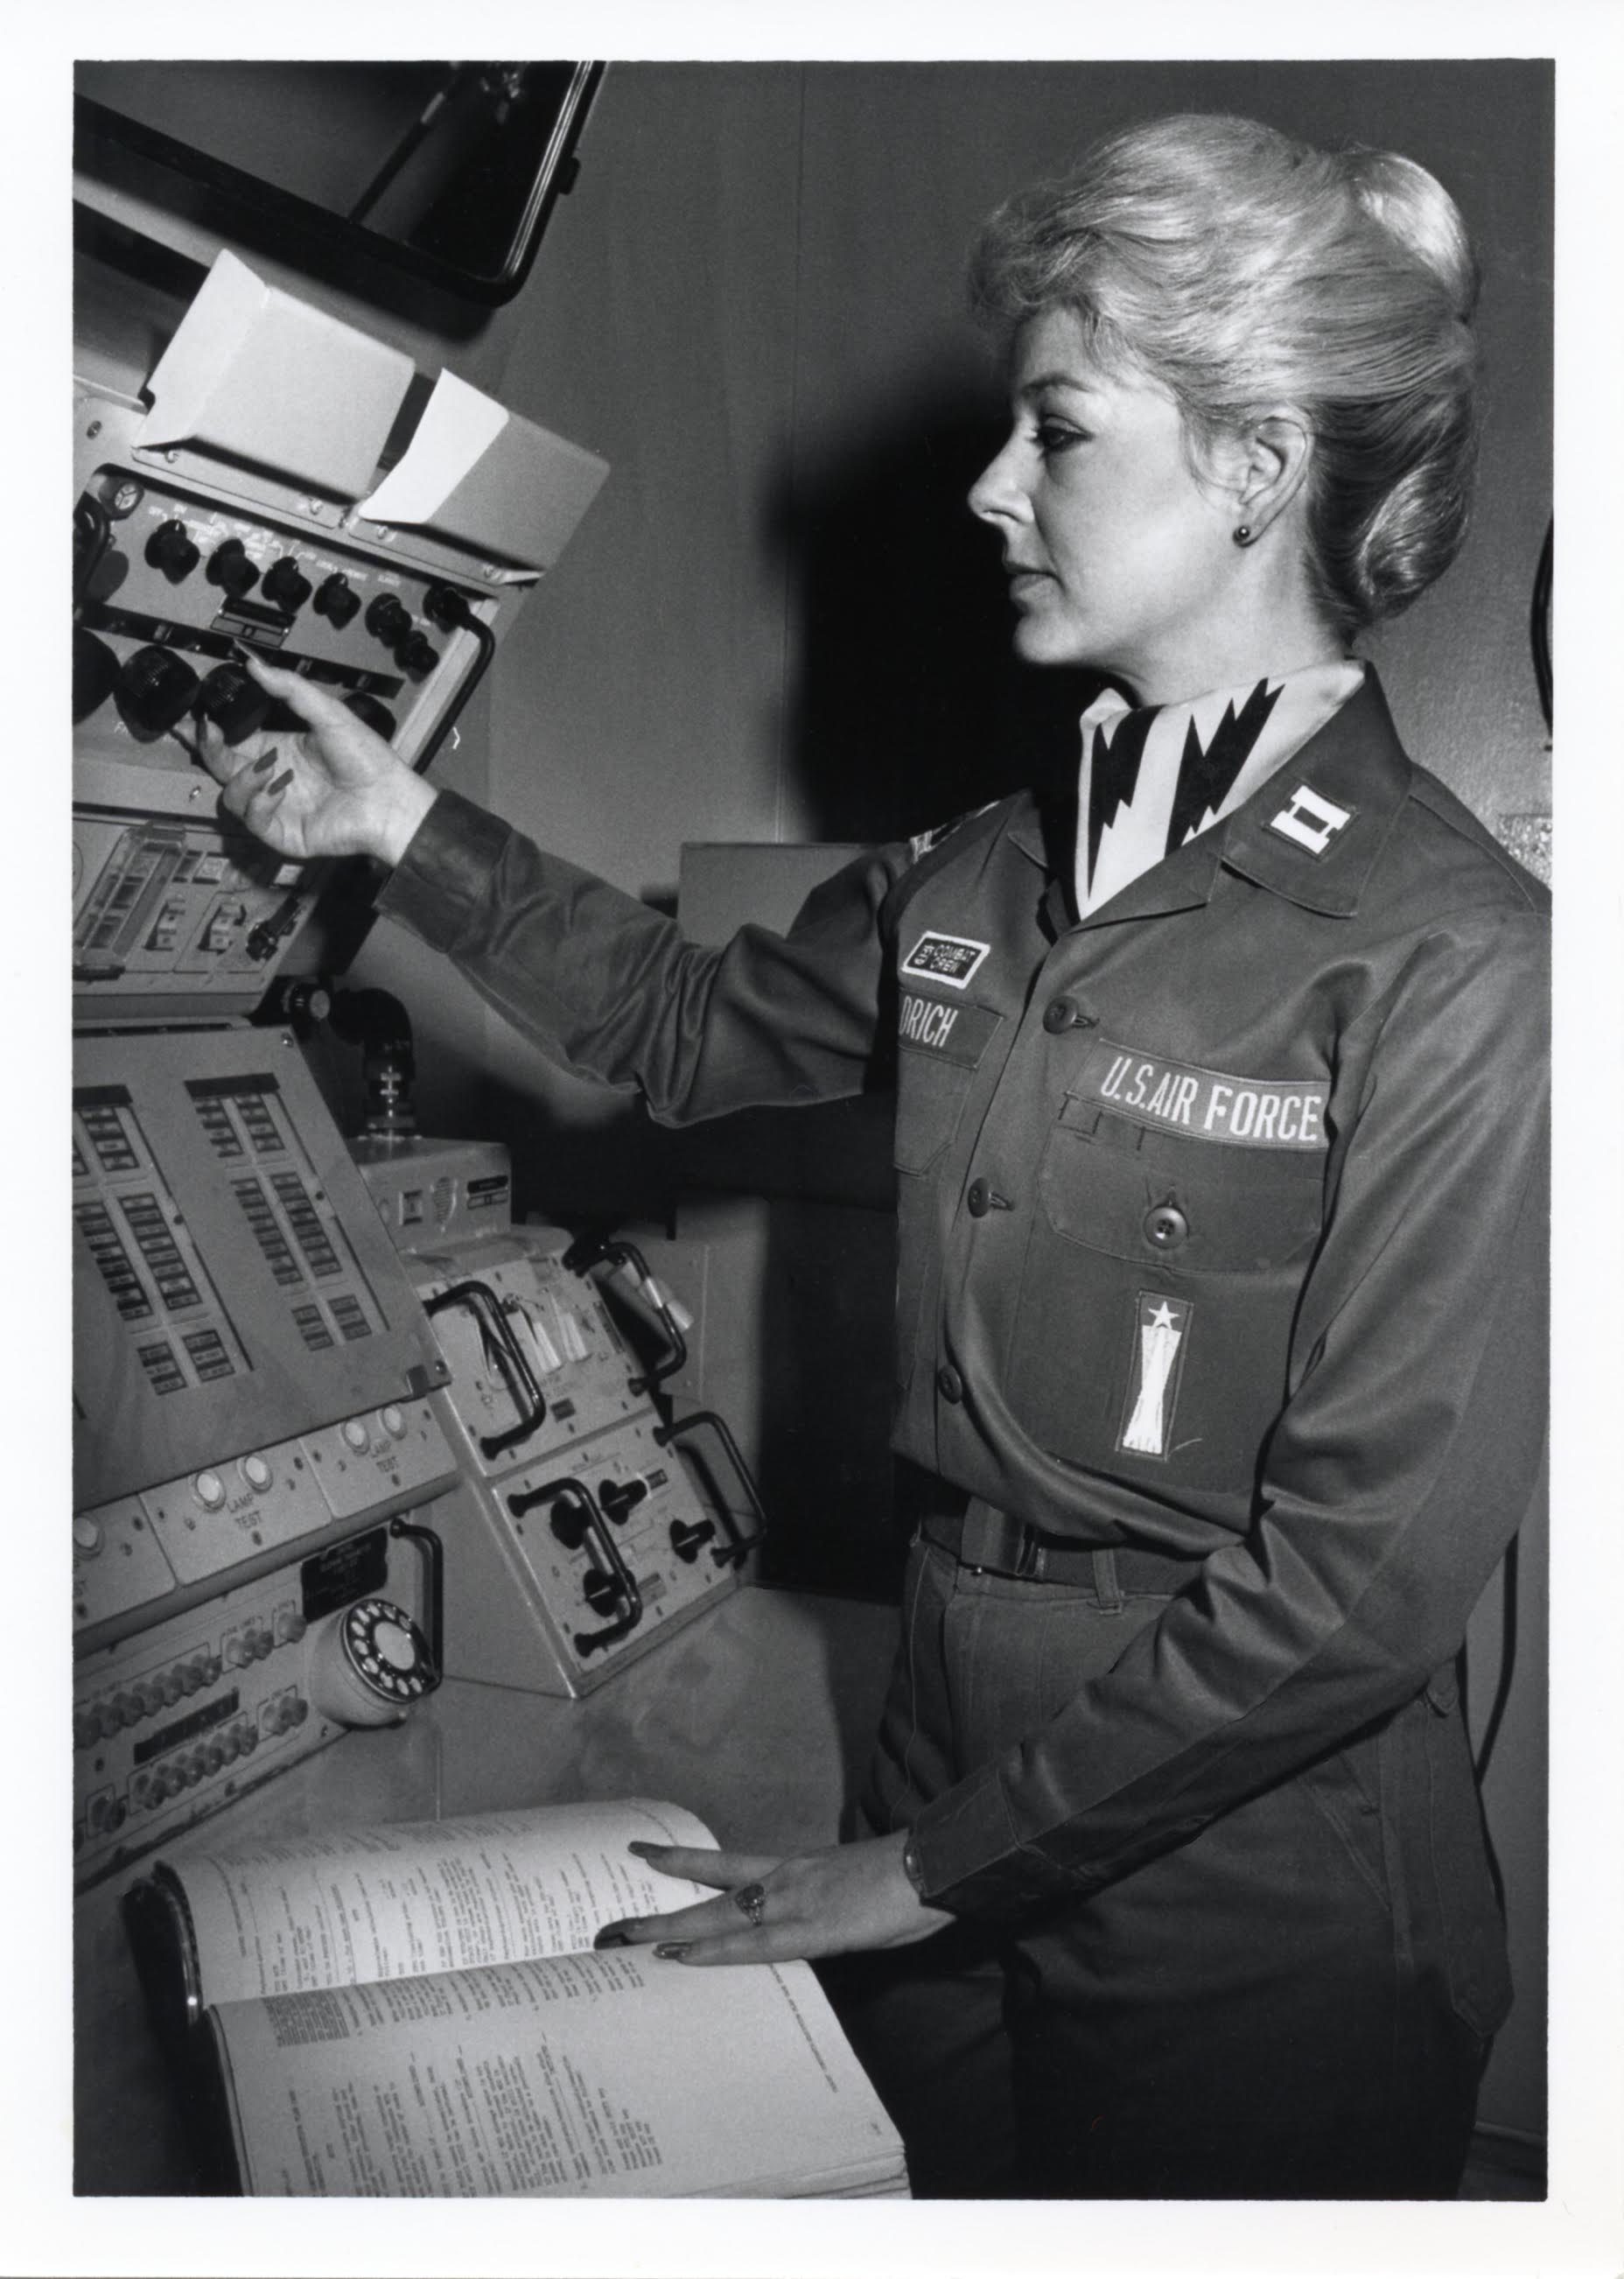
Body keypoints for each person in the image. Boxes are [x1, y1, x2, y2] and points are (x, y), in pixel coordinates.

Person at [201, 113, 1548, 2199]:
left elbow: (1360, 1590)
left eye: (1057, 431)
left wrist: (924, 1871)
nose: (993, 486)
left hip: (1249, 1860)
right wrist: (406, 828)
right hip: (933, 1708)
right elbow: (681, 1029)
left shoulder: (1455, 954)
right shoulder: (985, 871)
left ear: (1258, 465)